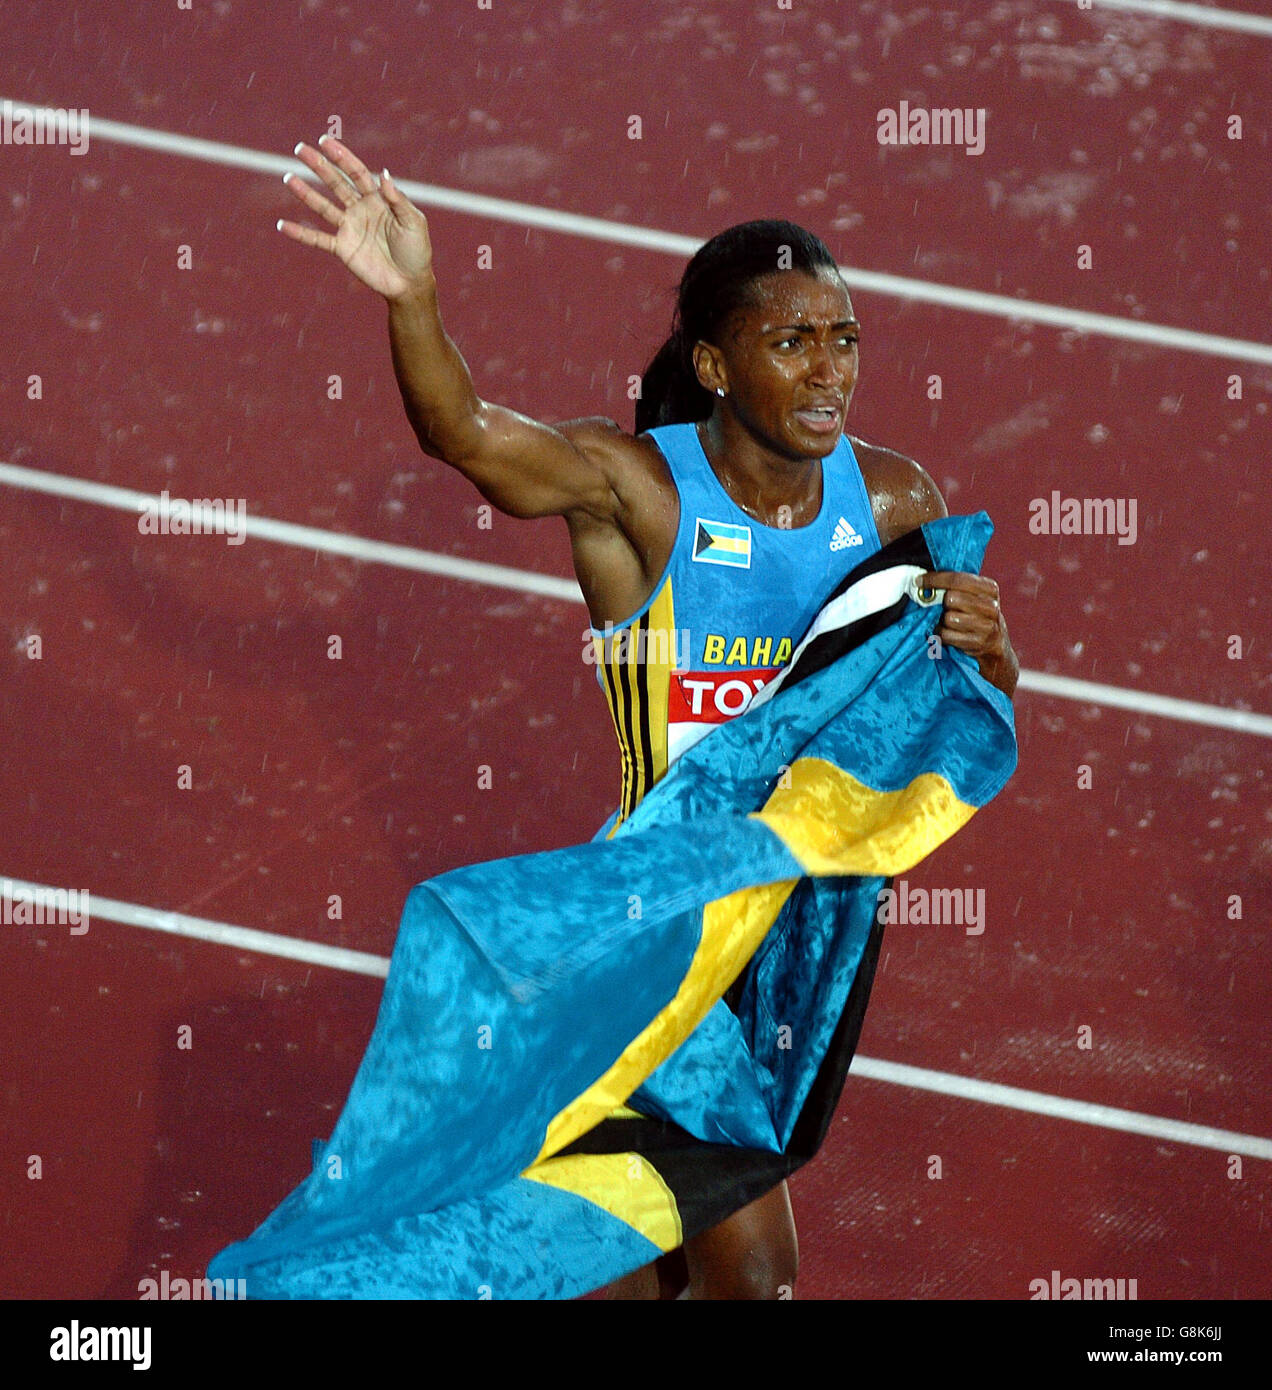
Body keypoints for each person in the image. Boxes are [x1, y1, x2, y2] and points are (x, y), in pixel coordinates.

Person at [278, 134, 1019, 1300]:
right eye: (792, 342)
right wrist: (413, 293)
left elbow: (951, 713)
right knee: (749, 1273)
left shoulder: (892, 500)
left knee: (625, 1268)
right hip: (658, 930)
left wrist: (993, 652)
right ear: (718, 366)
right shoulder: (636, 492)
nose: (830, 373)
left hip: (795, 949)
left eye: (844, 340)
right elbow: (464, 434)